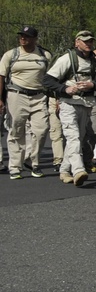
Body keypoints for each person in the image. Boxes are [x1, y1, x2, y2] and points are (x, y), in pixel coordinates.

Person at [42, 30, 96, 186]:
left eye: (91, 41)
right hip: (68, 104)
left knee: (77, 139)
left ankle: (64, 171)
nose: (89, 43)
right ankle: (78, 170)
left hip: (86, 104)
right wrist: (65, 89)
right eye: (85, 41)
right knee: (73, 137)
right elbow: (47, 80)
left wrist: (92, 85)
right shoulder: (67, 59)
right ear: (77, 42)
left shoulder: (95, 61)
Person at [0, 26, 53, 180]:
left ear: (35, 39)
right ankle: (15, 167)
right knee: (16, 130)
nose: (23, 38)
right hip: (17, 95)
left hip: (39, 96)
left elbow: (52, 76)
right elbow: (1, 76)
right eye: (22, 36)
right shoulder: (11, 54)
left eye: (27, 36)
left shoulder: (45, 55)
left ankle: (32, 161)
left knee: (41, 130)